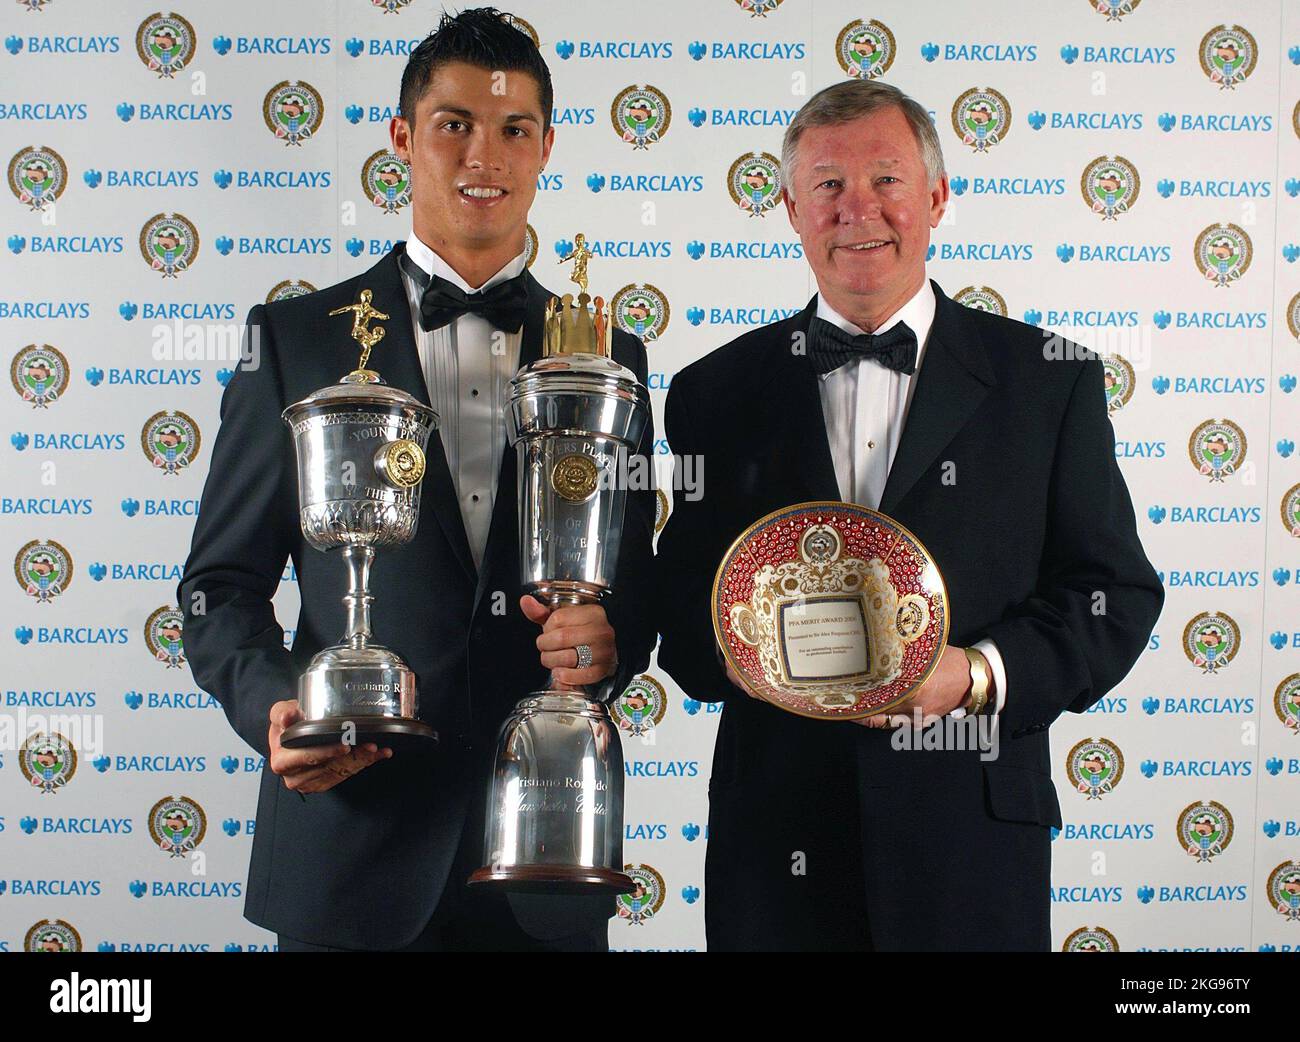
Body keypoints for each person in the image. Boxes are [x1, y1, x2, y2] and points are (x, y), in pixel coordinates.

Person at [179, 8, 656, 952]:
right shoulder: (295, 342)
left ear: (547, 146)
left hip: (545, 851)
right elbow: (217, 587)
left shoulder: (609, 353)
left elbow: (629, 584)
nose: (486, 154)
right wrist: (279, 704)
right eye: (455, 125)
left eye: (515, 128)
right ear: (404, 138)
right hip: (349, 850)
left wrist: (610, 640)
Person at [654, 79, 1163, 951]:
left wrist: (970, 677)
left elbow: (1112, 595)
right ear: (788, 207)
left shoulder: (1049, 382)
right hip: (778, 847)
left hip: (971, 844)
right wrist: (745, 657)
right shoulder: (715, 390)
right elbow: (684, 617)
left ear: (936, 196)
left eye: (887, 180)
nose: (859, 211)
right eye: (826, 185)